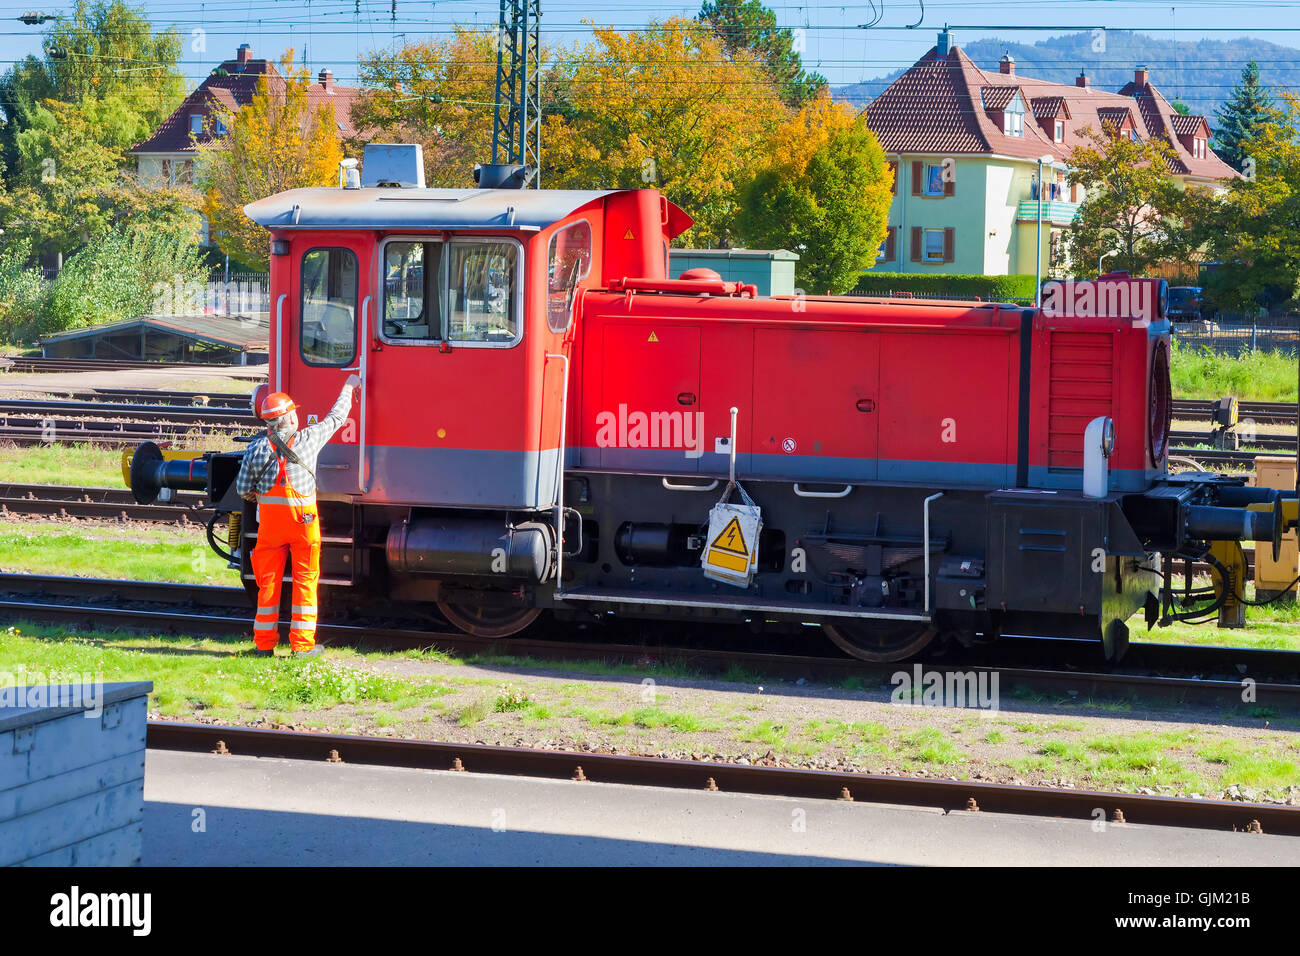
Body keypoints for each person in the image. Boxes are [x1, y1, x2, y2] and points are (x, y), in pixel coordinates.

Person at [236, 375, 360, 658]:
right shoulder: (308, 439)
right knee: (305, 580)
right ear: (289, 417)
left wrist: (263, 499)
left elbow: (243, 489)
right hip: (304, 525)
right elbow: (336, 418)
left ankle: (264, 646)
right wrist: (348, 387)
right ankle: (302, 647)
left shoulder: (255, 449)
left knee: (268, 583)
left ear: (268, 423)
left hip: (271, 526)